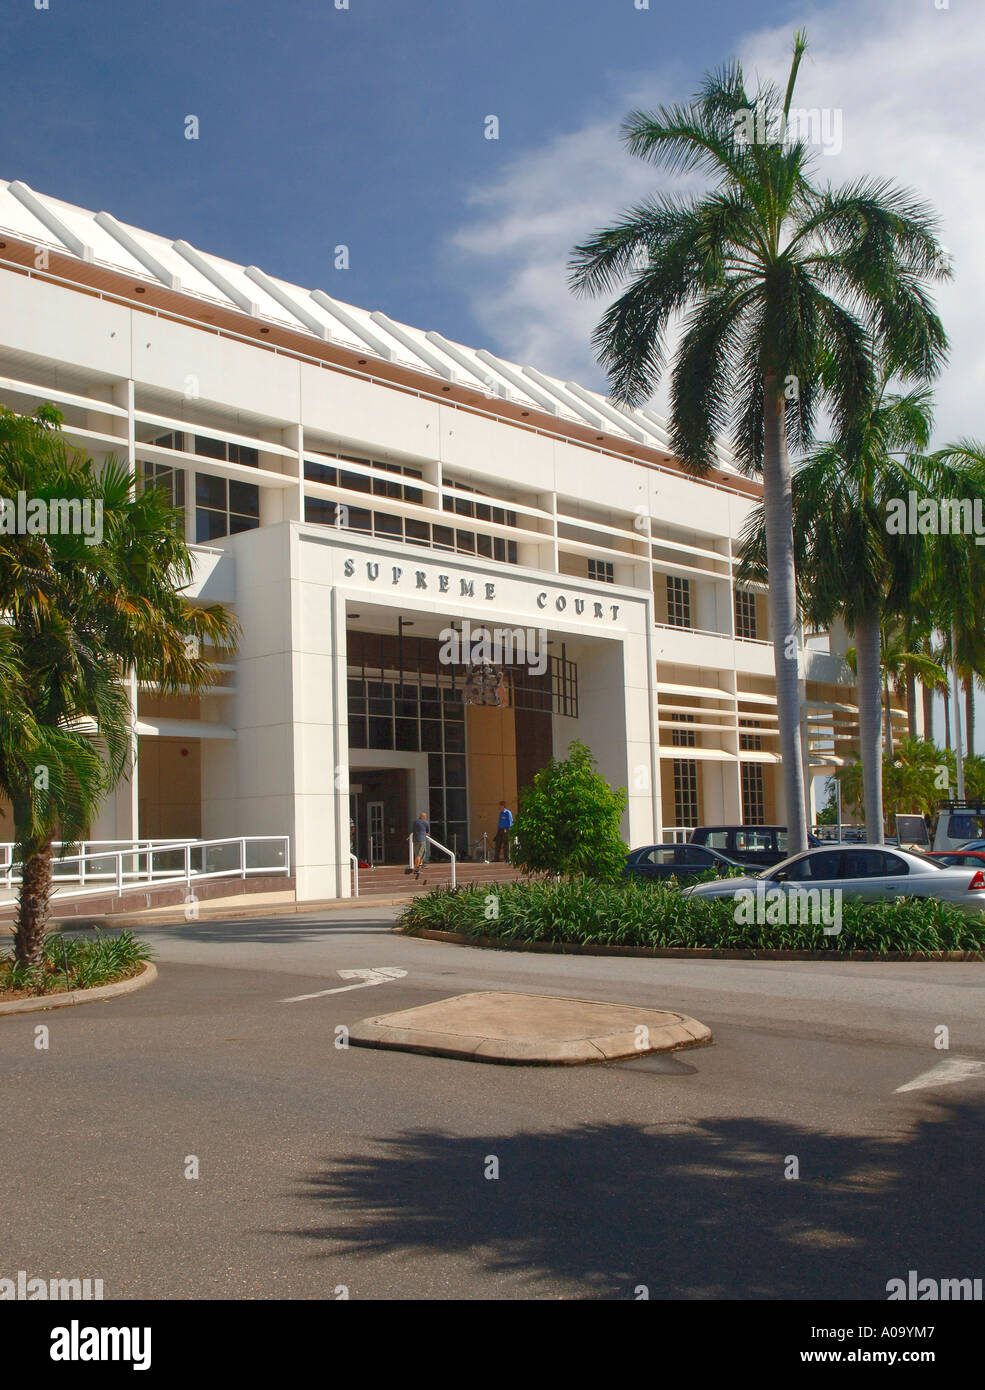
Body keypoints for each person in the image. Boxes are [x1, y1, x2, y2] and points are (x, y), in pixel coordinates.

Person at [408, 809, 429, 879]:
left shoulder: (415, 822)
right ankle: (416, 869)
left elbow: (413, 830)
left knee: (418, 854)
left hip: (415, 840)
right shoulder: (425, 823)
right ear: (424, 817)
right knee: (420, 855)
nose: (426, 818)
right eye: (425, 817)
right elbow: (427, 833)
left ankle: (419, 865)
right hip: (421, 840)